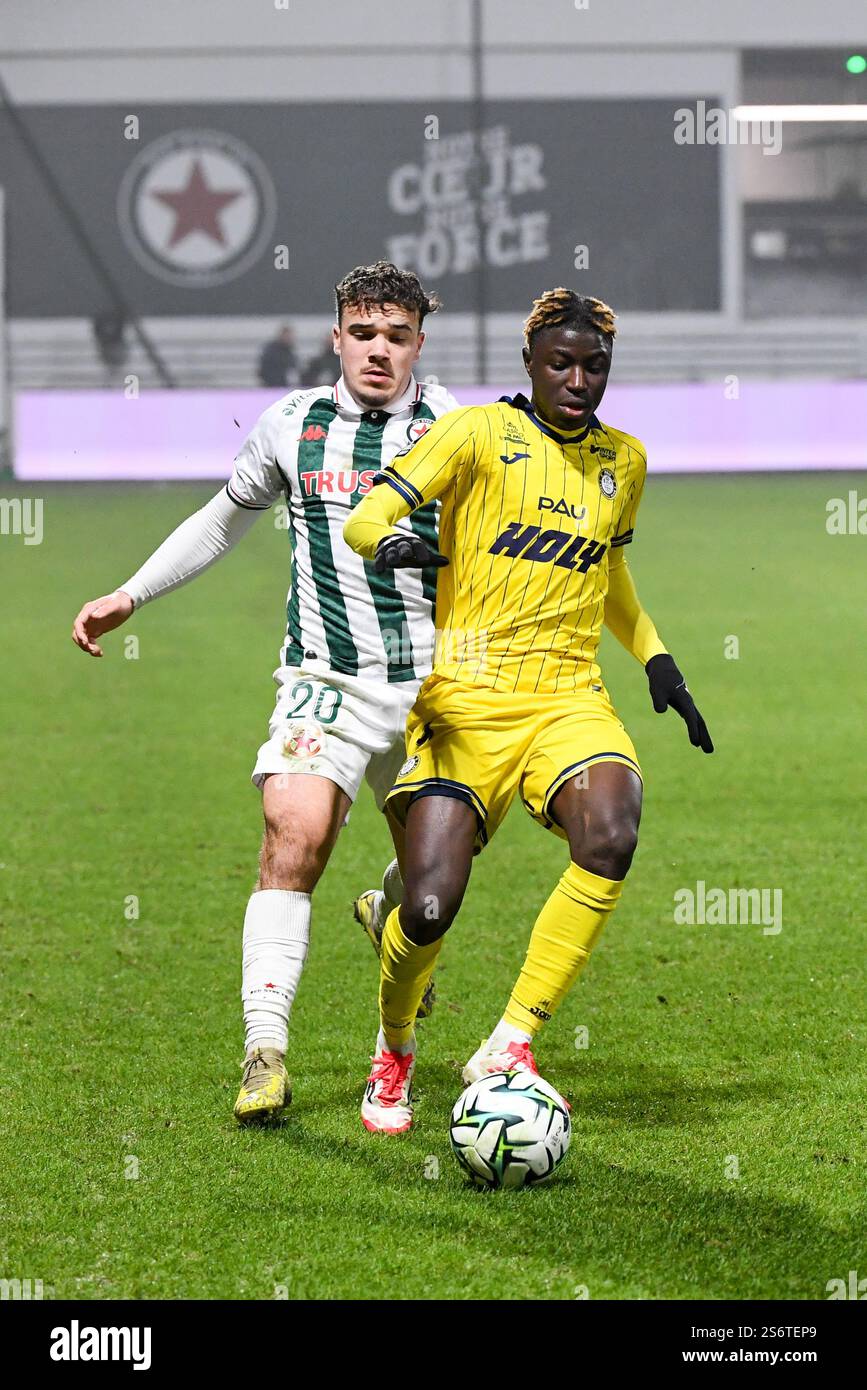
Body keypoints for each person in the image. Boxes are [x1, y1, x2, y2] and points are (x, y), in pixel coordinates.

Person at [71, 261, 459, 1124]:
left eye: (396, 335)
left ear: (417, 345)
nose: (378, 351)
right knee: (294, 835)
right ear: (336, 339)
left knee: (436, 881)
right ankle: (265, 1052)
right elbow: (223, 516)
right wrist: (130, 592)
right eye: (363, 333)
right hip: (322, 679)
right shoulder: (294, 424)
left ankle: (383, 908)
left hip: (432, 689)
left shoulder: (456, 430)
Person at [343, 287, 714, 1134]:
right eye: (561, 363)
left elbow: (607, 573)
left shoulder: (625, 461)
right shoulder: (476, 434)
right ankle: (394, 1047)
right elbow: (367, 517)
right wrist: (390, 542)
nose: (578, 379)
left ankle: (510, 1041)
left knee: (611, 832)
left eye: (594, 366)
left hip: (567, 696)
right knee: (430, 905)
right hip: (467, 697)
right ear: (530, 365)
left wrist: (655, 658)